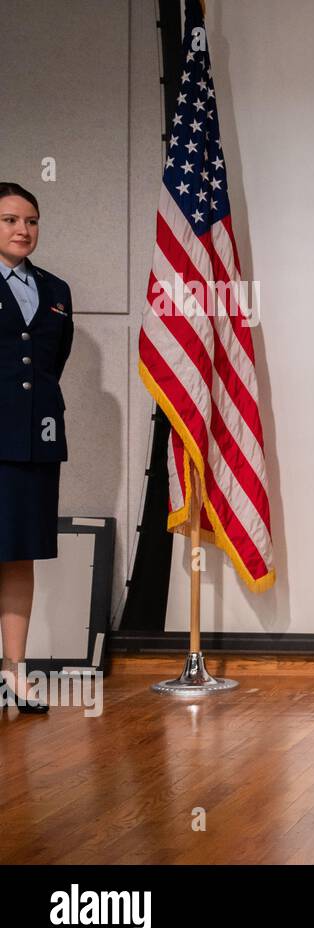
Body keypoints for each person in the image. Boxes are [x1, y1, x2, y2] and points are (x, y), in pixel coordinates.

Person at [0, 182, 74, 715]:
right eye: (9, 220)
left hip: (33, 440)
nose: (23, 230)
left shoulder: (55, 289)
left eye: (31, 220)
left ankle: (15, 673)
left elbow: (51, 362)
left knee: (18, 555)